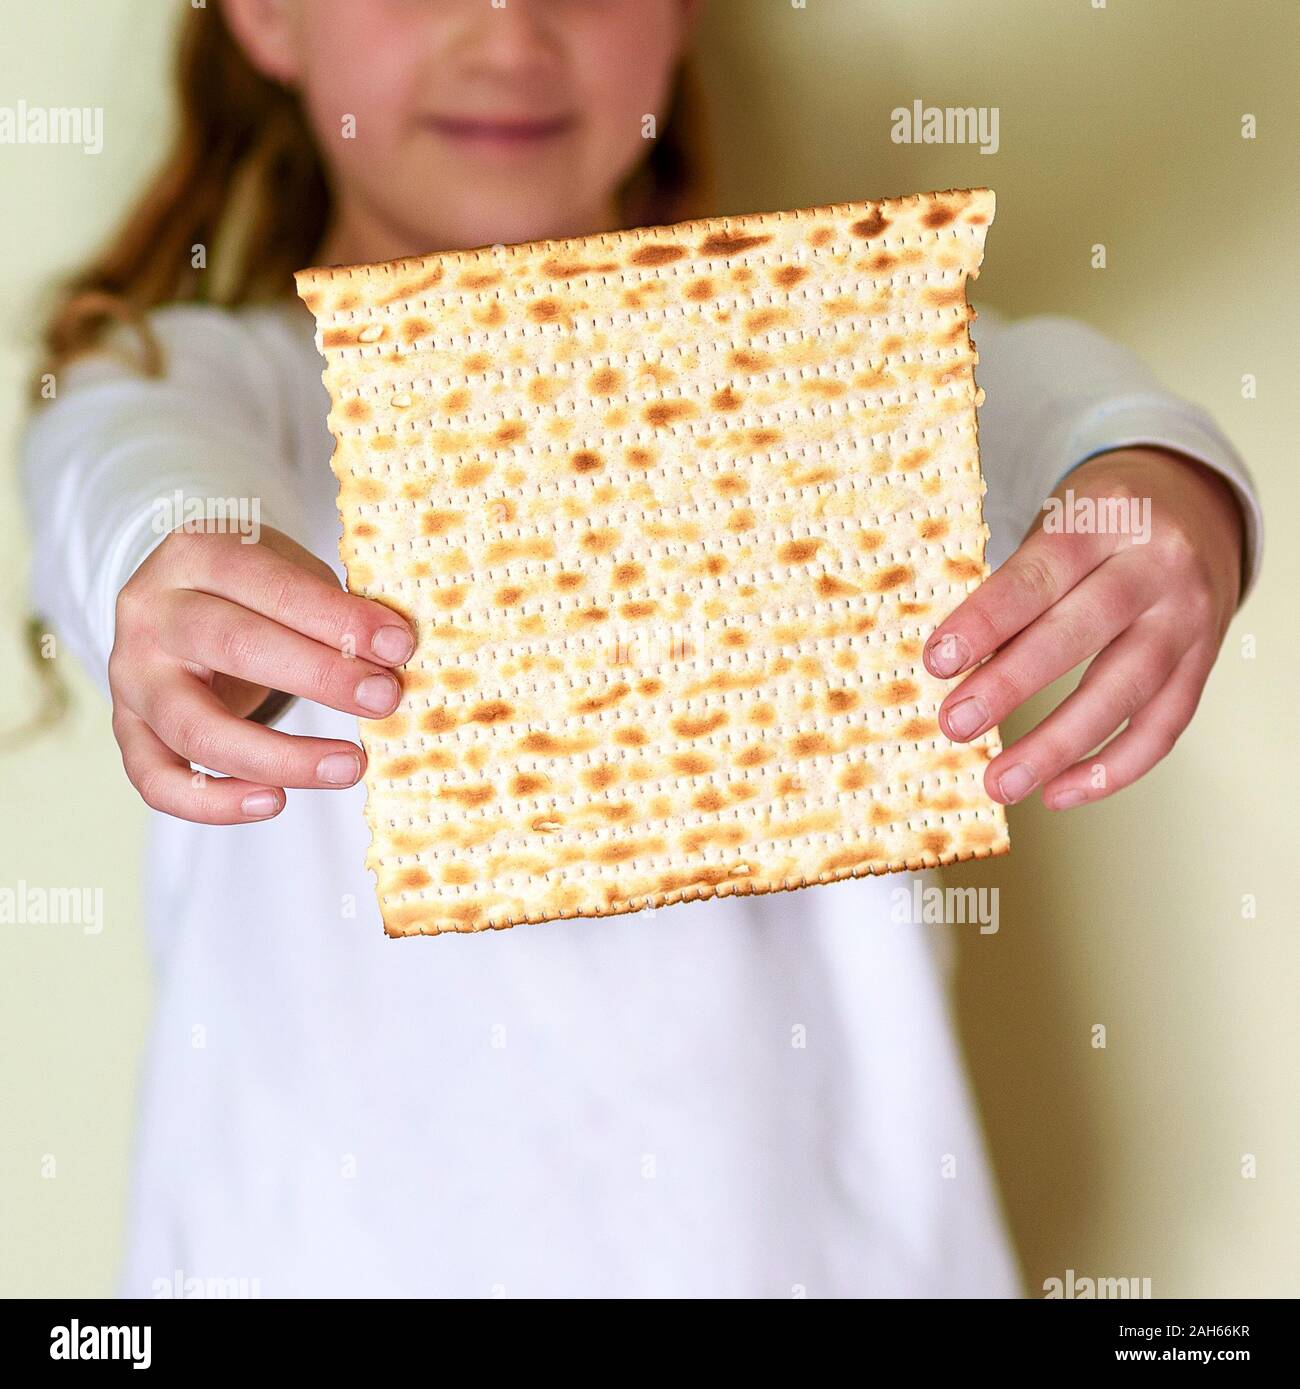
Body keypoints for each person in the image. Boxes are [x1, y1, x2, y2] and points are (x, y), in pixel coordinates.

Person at [22, 0, 1261, 1297]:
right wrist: (171, 561)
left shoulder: (823, 368)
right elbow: (114, 462)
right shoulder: (223, 396)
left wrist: (1160, 483)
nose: (510, 35)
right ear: (268, 19)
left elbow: (1042, 394)